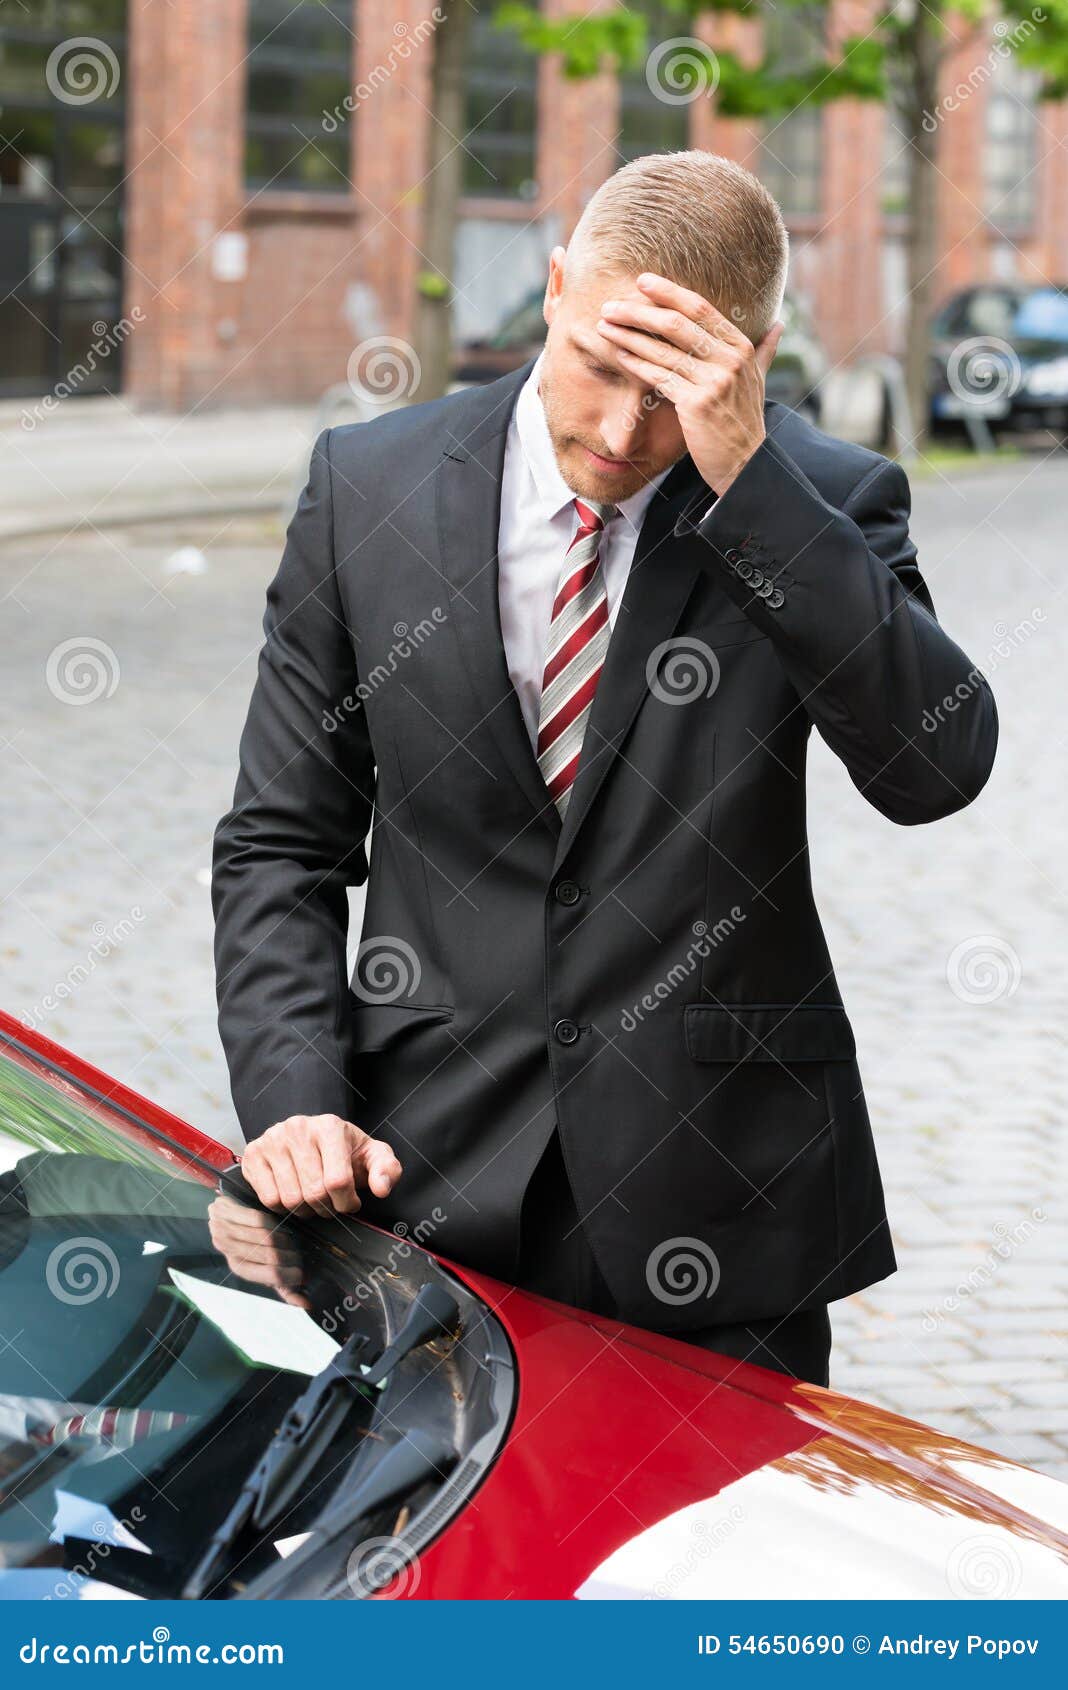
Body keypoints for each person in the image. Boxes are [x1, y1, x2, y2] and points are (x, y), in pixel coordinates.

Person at [212, 150, 998, 1388]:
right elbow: (282, 842)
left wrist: (756, 488)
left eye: (678, 391)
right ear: (557, 281)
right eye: (600, 365)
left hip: (729, 1203)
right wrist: (293, 1096)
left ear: (757, 353)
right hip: (424, 1182)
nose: (629, 432)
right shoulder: (368, 488)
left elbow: (934, 764)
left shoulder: (823, 504)